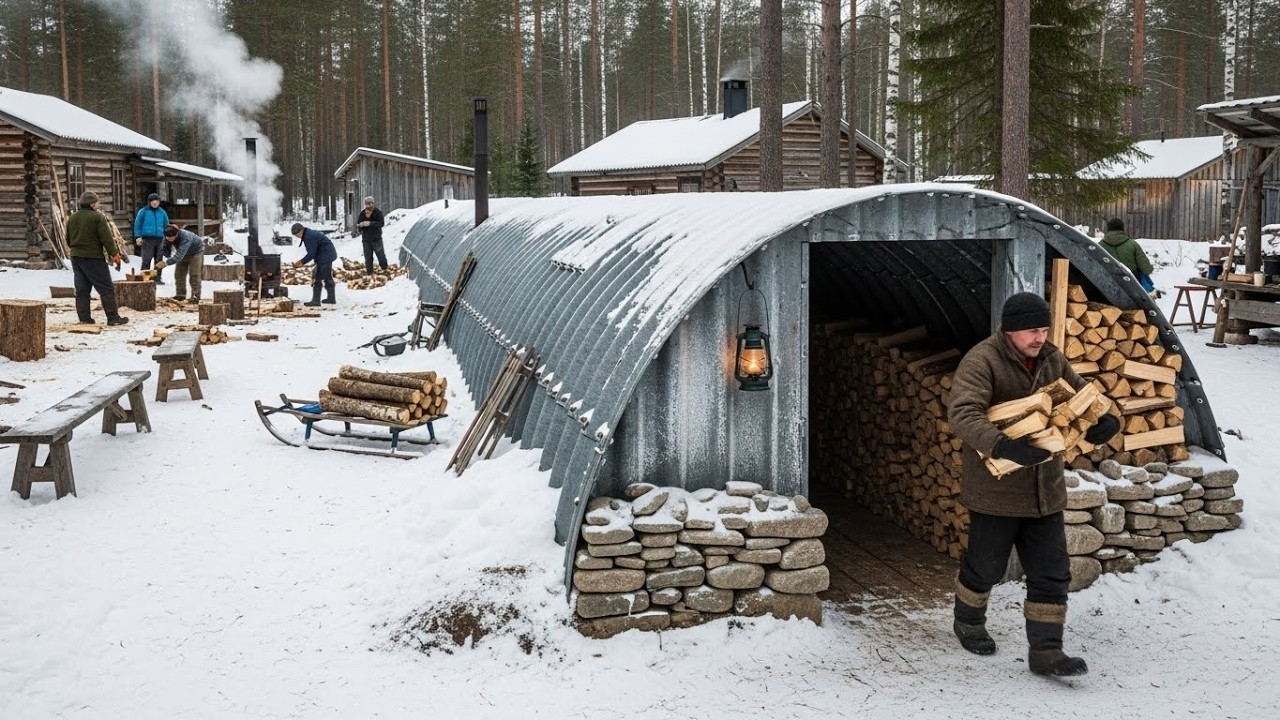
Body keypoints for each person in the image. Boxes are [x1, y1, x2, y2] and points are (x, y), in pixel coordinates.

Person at [947, 292, 1121, 677]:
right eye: (1031, 330)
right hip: (997, 491)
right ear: (1010, 330)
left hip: (1046, 490)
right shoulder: (982, 360)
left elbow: (1082, 399)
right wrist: (1002, 445)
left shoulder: (1052, 359)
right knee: (986, 566)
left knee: (1052, 571)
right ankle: (969, 622)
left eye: (1043, 328)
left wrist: (1103, 422)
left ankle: (1046, 651)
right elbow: (963, 413)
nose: (1039, 337)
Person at [66, 191, 128, 326]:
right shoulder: (97, 217)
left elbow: (68, 239)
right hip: (93, 257)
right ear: (92, 203)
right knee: (105, 287)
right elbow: (106, 238)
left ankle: (84, 318)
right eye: (97, 202)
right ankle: (113, 318)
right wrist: (114, 254)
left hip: (76, 257)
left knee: (82, 289)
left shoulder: (73, 217)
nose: (98, 204)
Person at [1099, 218, 1157, 296]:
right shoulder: (1133, 244)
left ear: (1108, 229)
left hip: (1108, 283)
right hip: (1132, 283)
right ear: (1122, 229)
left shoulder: (1100, 246)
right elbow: (1146, 269)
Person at [154, 224, 205, 303]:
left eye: (172, 237)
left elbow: (179, 256)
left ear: (177, 234)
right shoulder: (167, 237)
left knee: (194, 274)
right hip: (183, 253)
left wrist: (166, 263)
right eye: (168, 237)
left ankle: (196, 296)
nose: (169, 239)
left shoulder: (186, 237)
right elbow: (165, 249)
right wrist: (163, 257)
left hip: (196, 252)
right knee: (179, 274)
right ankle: (180, 295)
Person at [291, 222, 337, 306]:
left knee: (317, 277)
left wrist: (301, 262)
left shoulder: (309, 236)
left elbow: (311, 254)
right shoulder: (308, 234)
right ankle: (331, 298)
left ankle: (316, 301)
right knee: (327, 276)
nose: (297, 237)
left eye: (297, 235)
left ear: (301, 231)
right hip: (327, 254)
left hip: (326, 256)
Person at [134, 193, 170, 285]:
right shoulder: (143, 211)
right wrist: (138, 236)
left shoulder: (162, 212)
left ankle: (157, 278)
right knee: (146, 259)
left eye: (157, 201)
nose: (155, 203)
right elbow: (137, 224)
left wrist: (168, 236)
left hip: (160, 239)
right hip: (147, 239)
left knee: (159, 260)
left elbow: (167, 225)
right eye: (153, 201)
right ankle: (144, 278)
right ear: (149, 202)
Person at [355, 195, 388, 275]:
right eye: (367, 204)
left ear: (373, 204)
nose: (368, 205)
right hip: (366, 240)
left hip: (376, 239)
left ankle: (385, 269)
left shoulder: (378, 212)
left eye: (370, 203)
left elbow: (381, 223)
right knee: (368, 257)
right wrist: (360, 226)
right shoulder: (362, 213)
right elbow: (358, 224)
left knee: (380, 255)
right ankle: (369, 272)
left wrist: (370, 223)